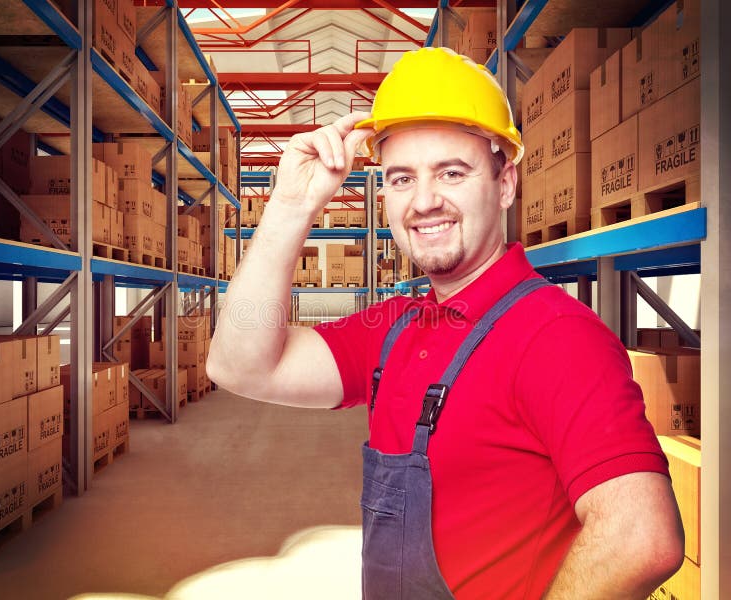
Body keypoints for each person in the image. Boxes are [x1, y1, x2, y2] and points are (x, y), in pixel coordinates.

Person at [207, 47, 685, 599]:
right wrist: (290, 205)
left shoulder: (555, 335)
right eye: (401, 179)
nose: (424, 201)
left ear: (505, 184)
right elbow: (238, 364)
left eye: (451, 172)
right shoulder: (394, 329)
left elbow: (640, 537)